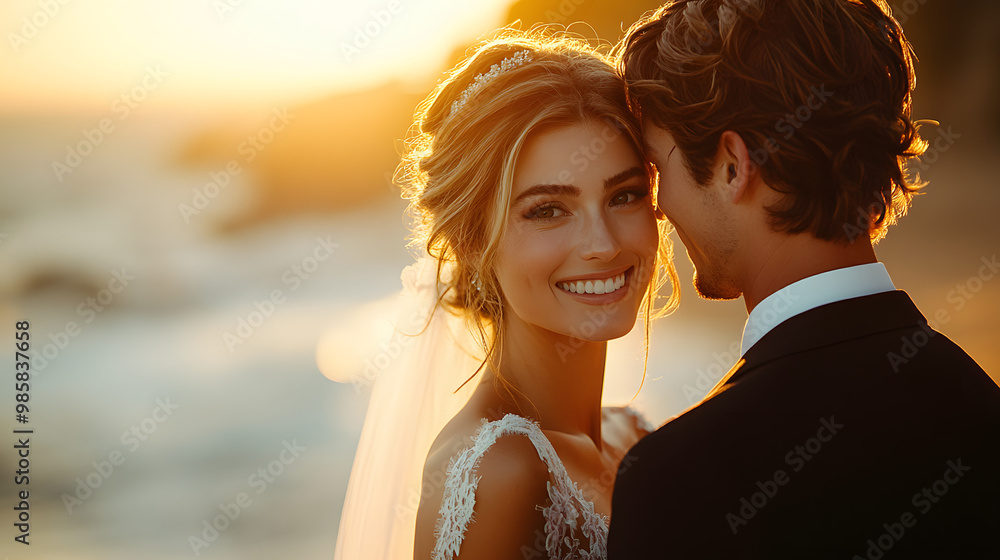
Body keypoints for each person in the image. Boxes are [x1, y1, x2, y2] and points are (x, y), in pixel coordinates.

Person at [608, 0, 1000, 558]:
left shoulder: (680, 478)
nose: (660, 207)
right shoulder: (983, 410)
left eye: (655, 170)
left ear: (732, 166)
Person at [334, 29, 679, 560]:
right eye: (547, 210)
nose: (602, 244)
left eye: (624, 195)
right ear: (473, 242)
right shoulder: (500, 469)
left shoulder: (632, 435)